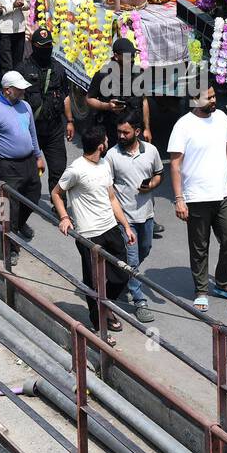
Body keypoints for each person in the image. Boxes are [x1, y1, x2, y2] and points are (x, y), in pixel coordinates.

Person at [168, 83, 227, 312]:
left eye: (214, 96)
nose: (214, 101)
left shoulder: (222, 118)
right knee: (199, 247)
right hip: (196, 197)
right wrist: (179, 198)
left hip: (224, 192)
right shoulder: (183, 126)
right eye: (209, 97)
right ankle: (202, 290)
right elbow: (175, 164)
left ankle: (222, 283)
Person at [52, 125, 136, 338]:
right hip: (88, 234)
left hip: (110, 228)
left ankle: (106, 307)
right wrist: (64, 217)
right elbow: (56, 193)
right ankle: (99, 323)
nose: (108, 142)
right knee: (94, 282)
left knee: (122, 274)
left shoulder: (104, 164)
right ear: (100, 145)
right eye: (106, 140)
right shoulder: (76, 169)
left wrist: (125, 226)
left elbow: (111, 198)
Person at [105, 109, 162, 324]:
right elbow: (107, 187)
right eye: (119, 132)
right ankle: (139, 300)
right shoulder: (112, 155)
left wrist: (152, 185)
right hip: (124, 219)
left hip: (146, 216)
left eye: (126, 133)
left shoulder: (151, 151)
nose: (121, 136)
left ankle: (119, 278)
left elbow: (159, 174)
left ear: (137, 131)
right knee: (133, 260)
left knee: (143, 250)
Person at [0, 71, 46, 259]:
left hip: (28, 163)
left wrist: (38, 155)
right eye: (19, 89)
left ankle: (17, 225)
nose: (23, 91)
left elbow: (32, 133)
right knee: (8, 208)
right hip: (6, 167)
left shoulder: (25, 106)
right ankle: (10, 248)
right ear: (8, 90)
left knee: (32, 197)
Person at [17, 28, 73, 195]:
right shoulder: (22, 70)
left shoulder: (59, 69)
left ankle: (59, 208)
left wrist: (70, 121)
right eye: (42, 46)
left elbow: (66, 97)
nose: (46, 49)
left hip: (54, 129)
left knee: (59, 171)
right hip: (29, 130)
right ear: (33, 46)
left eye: (49, 45)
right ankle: (23, 205)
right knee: (29, 174)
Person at [86, 38, 151, 149]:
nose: (131, 59)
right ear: (116, 56)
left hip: (132, 133)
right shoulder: (103, 75)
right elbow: (89, 99)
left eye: (132, 55)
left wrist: (147, 128)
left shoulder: (138, 75)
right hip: (110, 132)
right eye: (127, 56)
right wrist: (107, 106)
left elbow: (144, 101)